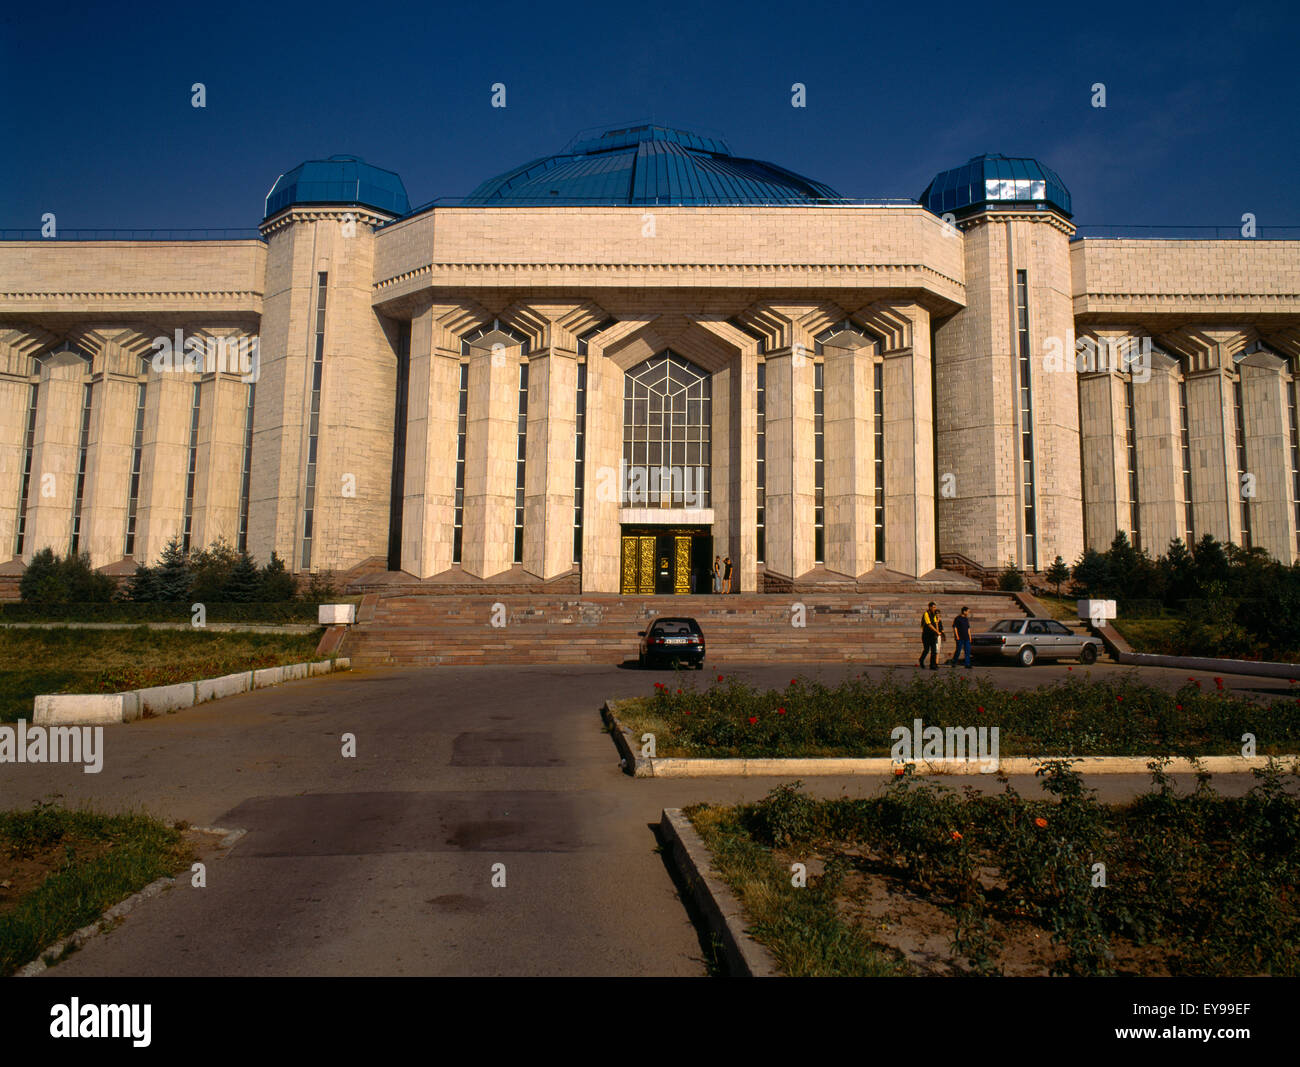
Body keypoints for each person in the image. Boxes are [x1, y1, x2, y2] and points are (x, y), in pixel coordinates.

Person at [918, 601, 941, 670]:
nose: (934, 608)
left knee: (934, 650)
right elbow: (929, 624)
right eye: (933, 607)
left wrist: (937, 632)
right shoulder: (926, 614)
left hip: (933, 635)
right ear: (930, 607)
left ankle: (932, 665)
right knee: (926, 650)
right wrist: (936, 631)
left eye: (935, 607)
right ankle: (921, 660)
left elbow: (935, 623)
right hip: (926, 635)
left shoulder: (934, 614)